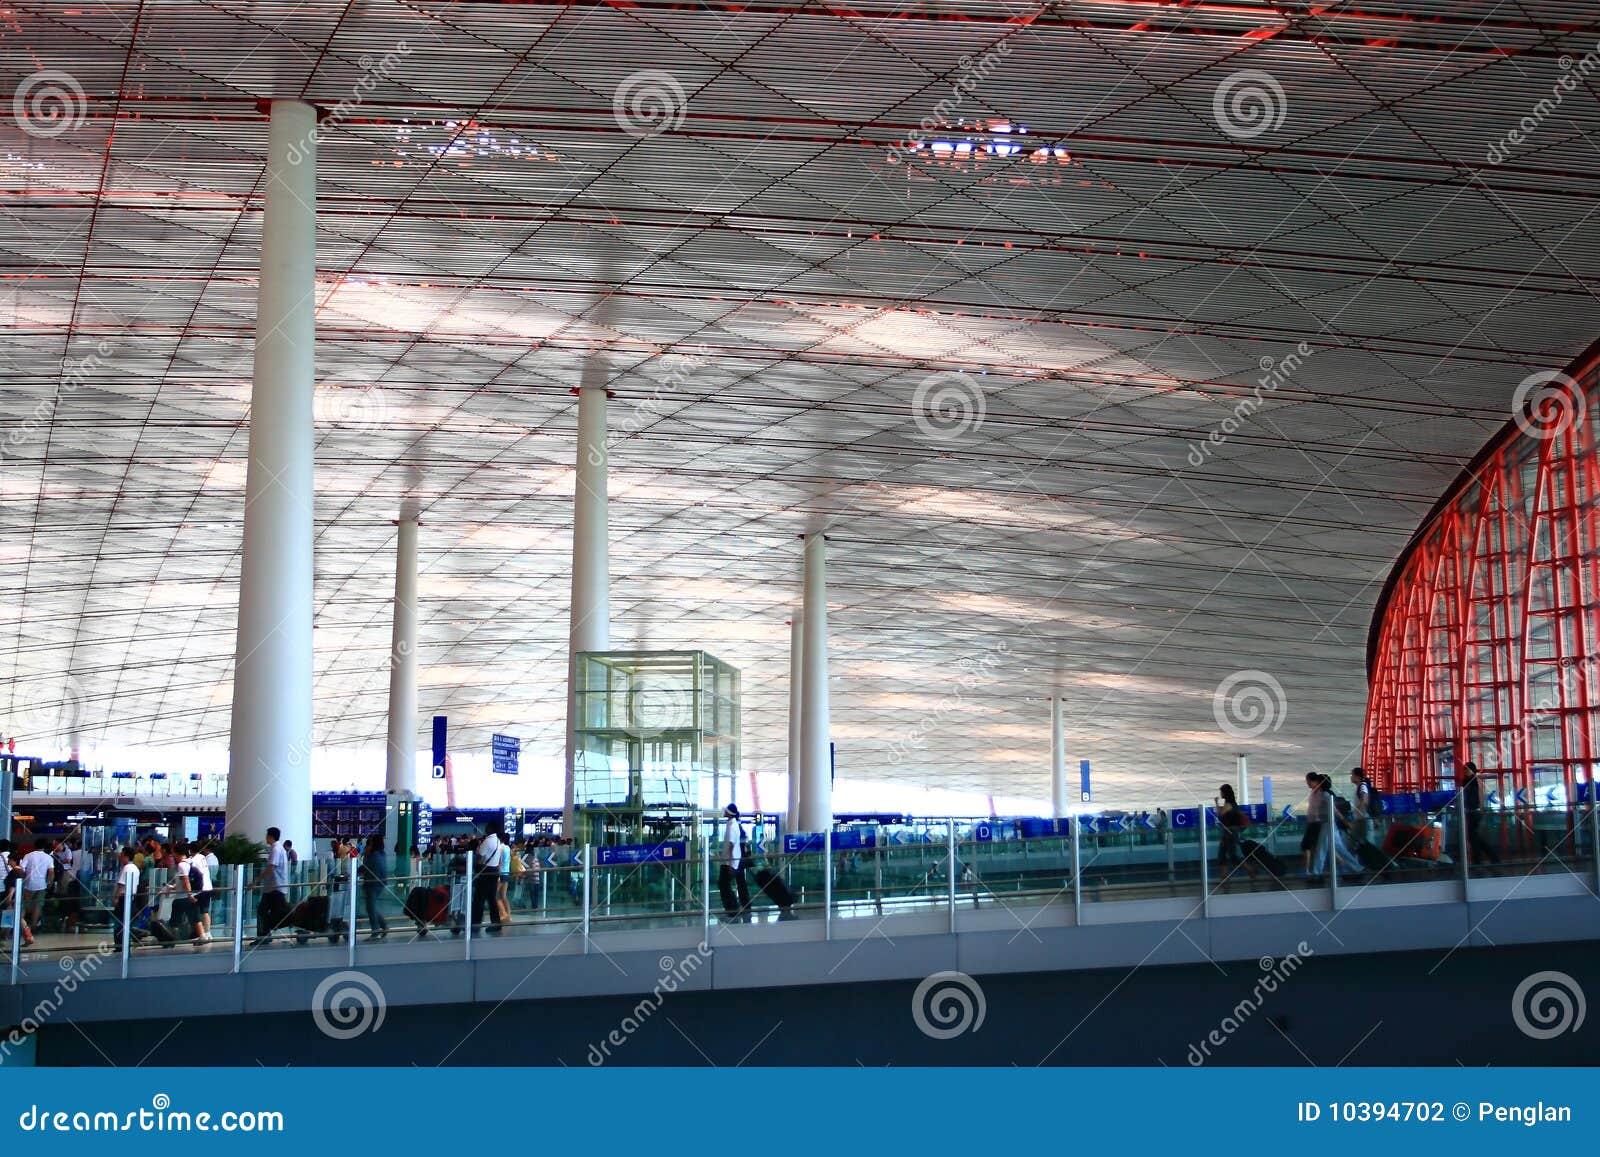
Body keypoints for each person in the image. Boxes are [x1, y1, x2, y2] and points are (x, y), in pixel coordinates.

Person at [1306, 773, 1362, 878]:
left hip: (1328, 825)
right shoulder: (1322, 794)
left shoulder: (1325, 795)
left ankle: (1316, 873)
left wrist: (1346, 823)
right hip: (1329, 825)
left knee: (1321, 850)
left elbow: (1335, 811)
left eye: (1317, 781)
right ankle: (1357, 868)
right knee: (1340, 849)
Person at [253, 826, 290, 946]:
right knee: (274, 911)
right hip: (277, 887)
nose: (265, 838)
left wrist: (256, 880)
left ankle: (263, 936)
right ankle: (265, 934)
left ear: (270, 836)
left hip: (273, 888)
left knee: (262, 911)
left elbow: (270, 868)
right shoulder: (281, 849)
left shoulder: (275, 849)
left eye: (267, 836)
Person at [1460, 763, 1500, 865]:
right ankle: (1489, 857)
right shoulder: (1473, 781)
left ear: (1472, 771)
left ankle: (1480, 859)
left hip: (1473, 812)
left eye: (1467, 770)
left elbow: (1469, 796)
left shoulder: (1470, 781)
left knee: (1473, 837)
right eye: (1465, 770)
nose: (1465, 772)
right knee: (1475, 837)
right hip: (1474, 812)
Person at [718, 804, 751, 919]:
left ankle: (733, 909)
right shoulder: (733, 824)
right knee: (728, 884)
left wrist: (731, 863)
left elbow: (731, 845)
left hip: (729, 862)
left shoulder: (732, 826)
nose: (724, 812)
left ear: (729, 813)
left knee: (724, 884)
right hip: (732, 860)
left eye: (726, 811)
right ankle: (734, 908)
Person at [471, 822, 504, 935]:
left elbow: (479, 856)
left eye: (487, 827)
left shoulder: (487, 841)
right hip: (494, 872)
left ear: (490, 828)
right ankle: (496, 923)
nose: (485, 828)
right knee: (491, 899)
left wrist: (476, 862)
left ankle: (475, 924)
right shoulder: (498, 841)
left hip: (485, 872)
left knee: (479, 899)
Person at [1213, 784, 1250, 878]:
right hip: (1227, 832)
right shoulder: (1230, 804)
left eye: (1221, 791)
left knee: (1233, 855)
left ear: (1225, 792)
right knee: (1222, 854)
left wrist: (1216, 803)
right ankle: (1224, 877)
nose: (1220, 793)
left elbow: (1220, 814)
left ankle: (1250, 870)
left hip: (1231, 832)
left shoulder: (1229, 804)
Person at [2, 844, 35, 948]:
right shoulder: (21, 871)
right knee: (19, 918)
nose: (7, 862)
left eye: (9, 860)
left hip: (13, 899)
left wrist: (9, 898)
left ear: (13, 860)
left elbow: (12, 886)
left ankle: (2, 939)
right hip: (20, 897)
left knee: (8, 918)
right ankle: (28, 937)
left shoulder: (14, 872)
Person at [359, 834, 388, 940]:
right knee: (371, 907)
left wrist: (355, 872)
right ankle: (382, 926)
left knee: (370, 907)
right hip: (377, 883)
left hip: (373, 884)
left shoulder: (374, 855)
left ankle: (376, 930)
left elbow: (366, 867)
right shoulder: (381, 854)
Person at [20, 839, 54, 929]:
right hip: (41, 885)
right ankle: (33, 926)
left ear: (35, 846)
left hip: (28, 884)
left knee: (23, 905)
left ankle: (21, 925)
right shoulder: (48, 857)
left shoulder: (28, 855)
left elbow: (21, 868)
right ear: (44, 847)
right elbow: (51, 872)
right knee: (38, 906)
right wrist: (50, 883)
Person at [112, 846, 138, 951]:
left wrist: (116, 898)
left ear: (126, 856)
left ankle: (119, 945)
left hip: (123, 898)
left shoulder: (126, 868)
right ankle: (125, 943)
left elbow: (121, 885)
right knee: (126, 922)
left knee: (119, 922)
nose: (119, 857)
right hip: (131, 898)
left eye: (121, 855)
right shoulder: (135, 868)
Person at [1348, 767, 1373, 849]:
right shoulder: (1359, 787)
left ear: (1357, 777)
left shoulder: (1362, 787)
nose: (1351, 777)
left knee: (1358, 843)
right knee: (1355, 843)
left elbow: (1364, 801)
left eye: (1352, 775)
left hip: (1363, 820)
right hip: (1360, 819)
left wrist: (1355, 812)